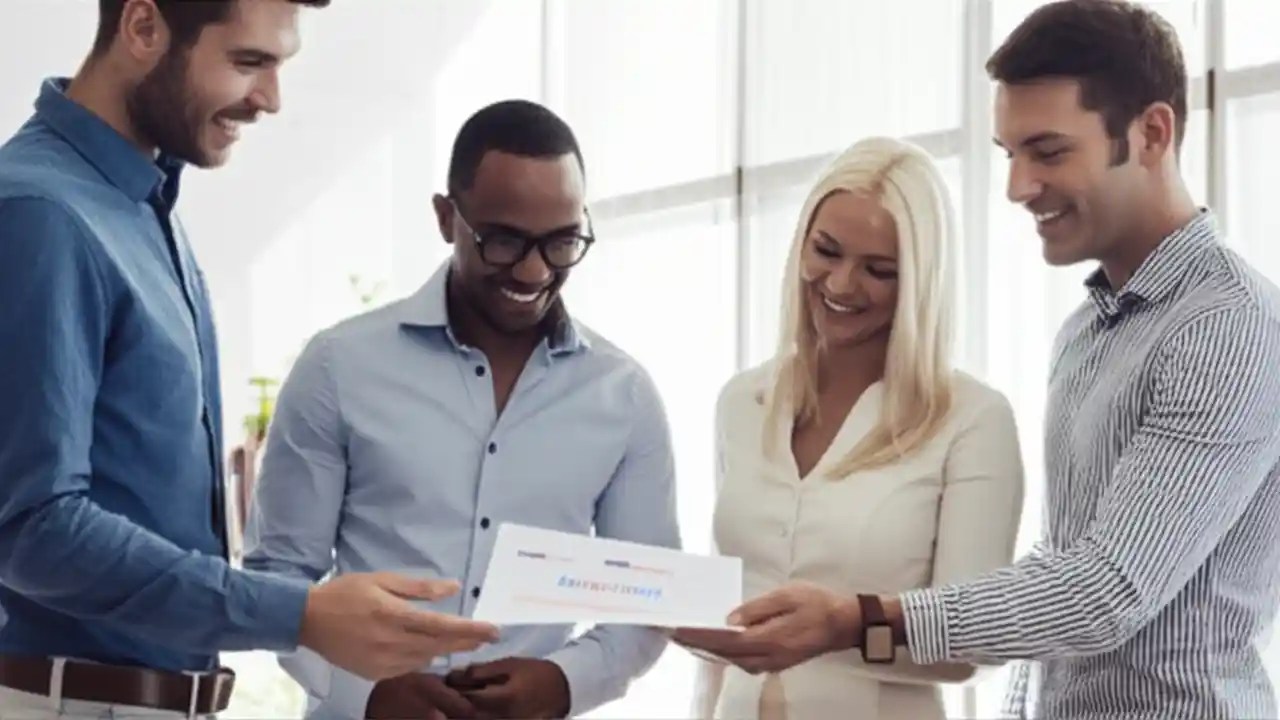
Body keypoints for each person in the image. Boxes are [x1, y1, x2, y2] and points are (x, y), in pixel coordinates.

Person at [675, 1, 1280, 718]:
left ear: (1151, 133)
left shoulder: (1229, 326)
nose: (1018, 187)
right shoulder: (1089, 332)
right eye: (1009, 153)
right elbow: (1056, 579)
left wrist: (859, 617)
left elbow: (1105, 593)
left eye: (1048, 152)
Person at [0, 2, 498, 718]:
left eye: (278, 64)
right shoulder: (41, 213)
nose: (271, 99)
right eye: (248, 62)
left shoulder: (145, 207)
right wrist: (301, 614)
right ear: (143, 29)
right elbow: (31, 528)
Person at [243, 99, 682, 720]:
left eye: (561, 243)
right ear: (447, 218)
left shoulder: (625, 396)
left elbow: (648, 600)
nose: (534, 270)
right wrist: (366, 693)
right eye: (504, 241)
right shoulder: (338, 367)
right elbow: (278, 580)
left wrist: (562, 683)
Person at [681, 137, 1025, 720]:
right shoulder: (742, 402)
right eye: (827, 251)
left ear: (919, 281)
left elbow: (975, 642)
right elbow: (726, 615)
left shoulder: (972, 420)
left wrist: (844, 627)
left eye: (879, 270)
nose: (841, 285)